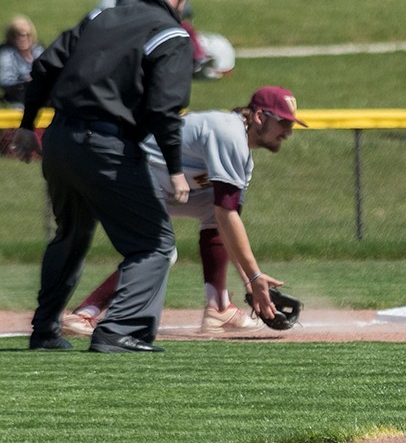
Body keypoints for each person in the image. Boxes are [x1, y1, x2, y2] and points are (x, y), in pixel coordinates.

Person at [12, 0, 278, 353]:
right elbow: (164, 109)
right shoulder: (172, 35)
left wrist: (28, 126)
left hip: (60, 139)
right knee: (154, 243)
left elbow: (45, 67)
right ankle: (120, 330)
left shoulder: (100, 18)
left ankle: (46, 330)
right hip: (106, 144)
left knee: (71, 236)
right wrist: (175, 169)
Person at [61, 86, 307, 337]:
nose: (289, 130)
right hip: (121, 175)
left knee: (212, 216)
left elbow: (226, 223)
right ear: (259, 117)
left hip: (153, 185)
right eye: (283, 122)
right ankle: (84, 313)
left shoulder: (243, 157)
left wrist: (251, 283)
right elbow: (226, 214)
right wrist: (254, 277)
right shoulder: (229, 133)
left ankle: (219, 309)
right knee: (161, 250)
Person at [0, 15, 44, 109]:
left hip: (40, 94)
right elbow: (6, 81)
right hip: (18, 97)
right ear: (10, 37)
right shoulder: (6, 54)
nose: (23, 39)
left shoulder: (38, 51)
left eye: (27, 35)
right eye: (17, 35)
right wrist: (25, 82)